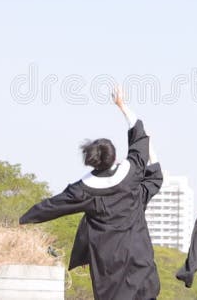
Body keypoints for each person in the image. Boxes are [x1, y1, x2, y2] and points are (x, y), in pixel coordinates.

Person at [19, 86, 161, 300]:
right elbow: (139, 135)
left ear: (92, 162)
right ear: (114, 156)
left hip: (109, 266)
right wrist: (122, 106)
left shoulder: (84, 190)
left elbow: (52, 206)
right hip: (140, 258)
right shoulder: (131, 173)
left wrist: (23, 219)